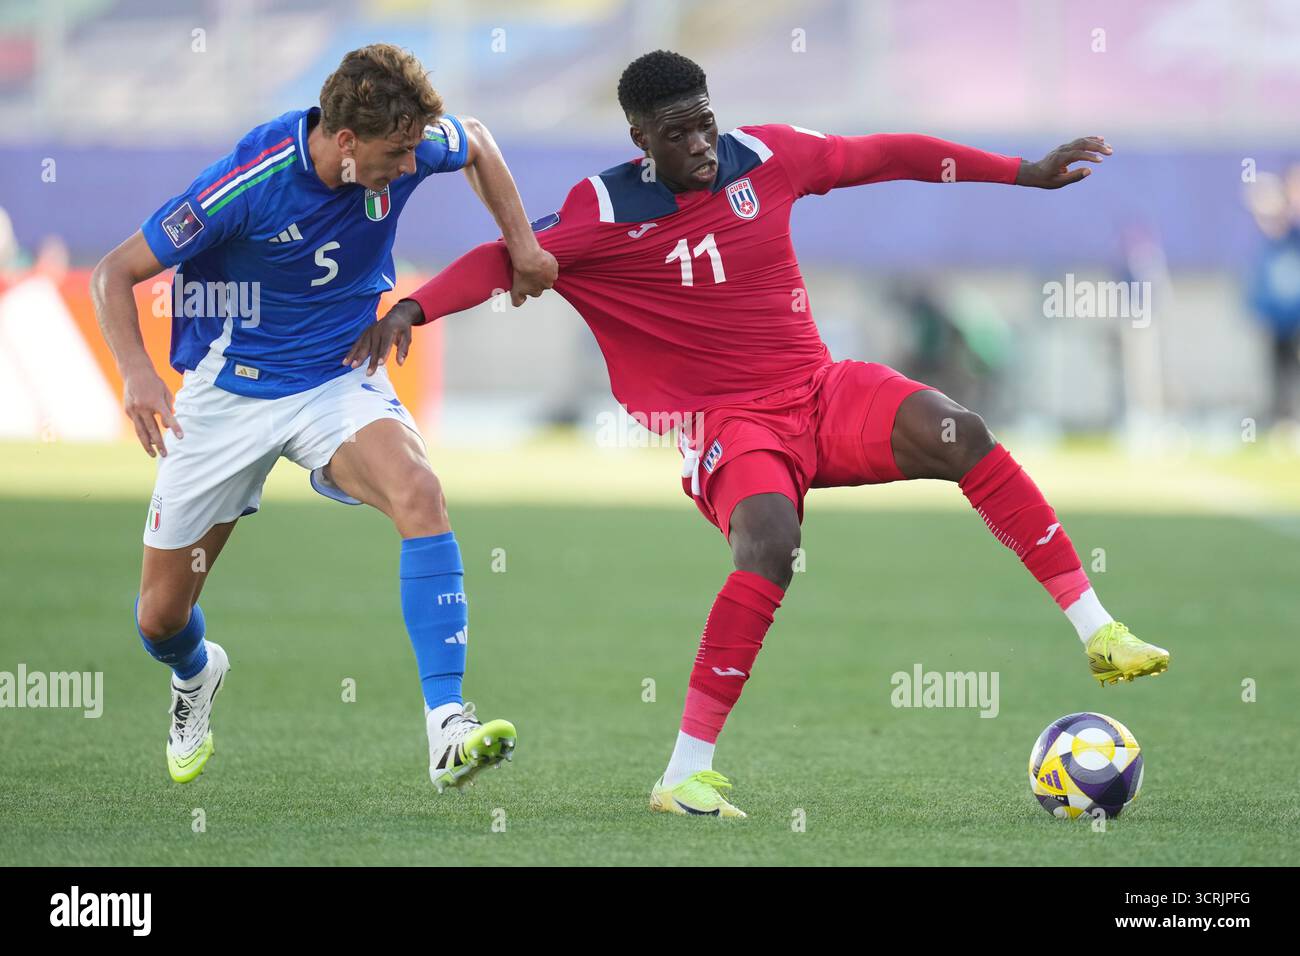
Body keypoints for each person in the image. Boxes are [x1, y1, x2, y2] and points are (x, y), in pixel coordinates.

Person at [345, 50, 1169, 818]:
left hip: (819, 388)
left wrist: (1020, 173)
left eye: (705, 122)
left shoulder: (766, 157)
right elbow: (504, 261)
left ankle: (1099, 630)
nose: (702, 143)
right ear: (640, 140)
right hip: (725, 422)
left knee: (959, 430)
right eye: (678, 133)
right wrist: (416, 306)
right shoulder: (604, 207)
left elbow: (884, 154)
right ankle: (683, 773)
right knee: (770, 541)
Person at [91, 44, 557, 790]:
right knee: (159, 619)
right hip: (226, 398)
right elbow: (114, 272)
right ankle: (195, 675)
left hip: (336, 376)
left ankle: (447, 727)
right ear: (346, 141)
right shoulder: (248, 183)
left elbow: (478, 142)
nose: (409, 169)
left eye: (412, 151)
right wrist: (139, 373)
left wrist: (524, 246)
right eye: (395, 154)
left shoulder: (409, 144)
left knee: (420, 492)